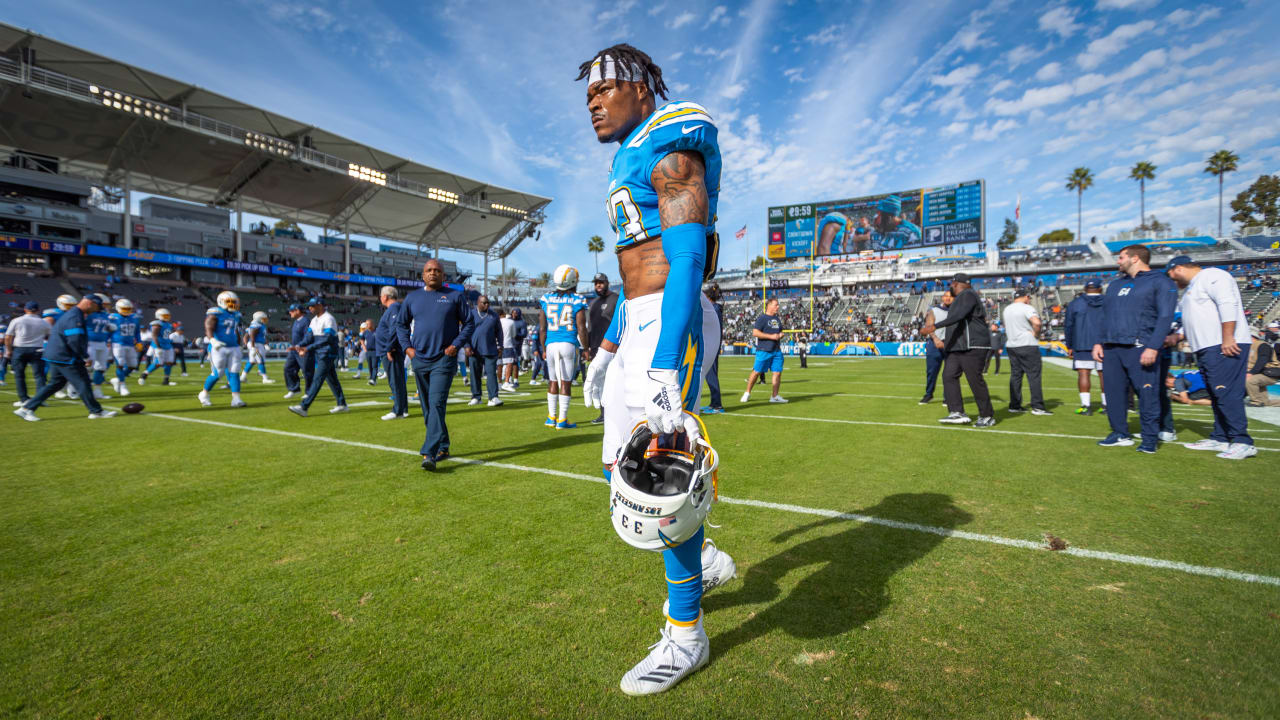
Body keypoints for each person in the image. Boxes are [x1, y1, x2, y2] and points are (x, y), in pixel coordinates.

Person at [576, 44, 735, 695]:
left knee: (660, 480)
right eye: (586, 93)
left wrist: (667, 361)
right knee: (621, 468)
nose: (592, 101)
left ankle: (686, 636)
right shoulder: (625, 156)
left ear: (642, 87)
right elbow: (632, 274)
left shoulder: (671, 141)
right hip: (641, 320)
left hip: (677, 319)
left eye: (604, 88)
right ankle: (708, 558)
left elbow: (686, 256)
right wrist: (608, 352)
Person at [1165, 255, 1255, 460]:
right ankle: (1220, 437)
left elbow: (1227, 304)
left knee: (1226, 393)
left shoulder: (1212, 275)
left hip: (1223, 344)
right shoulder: (1191, 289)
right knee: (1215, 393)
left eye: (1170, 274)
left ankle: (1242, 441)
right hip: (1206, 347)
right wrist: (1178, 336)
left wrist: (1228, 337)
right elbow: (1198, 320)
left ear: (1177, 268)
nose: (1172, 280)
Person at [1092, 245, 1177, 453]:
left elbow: (1165, 317)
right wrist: (1098, 342)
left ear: (1135, 258)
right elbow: (1105, 316)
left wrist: (1153, 346)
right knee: (1113, 394)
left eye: (1121, 258)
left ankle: (1149, 438)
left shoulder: (1161, 282)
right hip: (1112, 348)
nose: (1118, 261)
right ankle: (1120, 432)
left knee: (1147, 394)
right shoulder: (1114, 285)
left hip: (1140, 347)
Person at [395, 259, 474, 470]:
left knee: (436, 403)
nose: (433, 273)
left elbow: (469, 323)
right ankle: (444, 445)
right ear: (423, 275)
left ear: (443, 276)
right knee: (428, 407)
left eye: (437, 271)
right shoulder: (413, 298)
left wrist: (455, 346)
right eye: (429, 270)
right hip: (419, 359)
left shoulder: (455, 296)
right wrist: (407, 349)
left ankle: (429, 452)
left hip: (444, 359)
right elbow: (401, 325)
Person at [13, 295, 116, 421]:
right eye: (96, 307)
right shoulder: (75, 316)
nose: (96, 310)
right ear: (90, 303)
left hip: (57, 354)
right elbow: (74, 339)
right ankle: (96, 411)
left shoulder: (73, 313)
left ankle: (26, 409)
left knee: (55, 384)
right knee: (83, 382)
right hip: (65, 355)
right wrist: (84, 356)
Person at [921, 273, 995, 427]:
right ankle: (956, 412)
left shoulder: (968, 294)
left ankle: (987, 415)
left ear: (956, 284)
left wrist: (934, 327)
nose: (950, 287)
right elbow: (957, 324)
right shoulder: (961, 298)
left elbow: (958, 317)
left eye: (952, 284)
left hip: (973, 345)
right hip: (958, 347)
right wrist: (945, 342)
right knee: (948, 376)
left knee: (974, 380)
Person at [539, 265, 589, 428]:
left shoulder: (546, 298)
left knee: (552, 380)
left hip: (551, 344)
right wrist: (586, 349)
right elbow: (581, 328)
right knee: (565, 382)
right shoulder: (577, 299)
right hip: (568, 344)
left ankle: (550, 417)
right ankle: (562, 419)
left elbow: (542, 328)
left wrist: (544, 349)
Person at [288, 298, 348, 417]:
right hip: (320, 353)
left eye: (312, 306)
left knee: (317, 379)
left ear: (320, 305)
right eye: (309, 306)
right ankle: (342, 404)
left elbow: (327, 339)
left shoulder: (328, 319)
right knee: (332, 380)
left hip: (328, 353)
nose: (310, 308)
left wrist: (308, 348)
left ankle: (304, 407)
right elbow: (309, 337)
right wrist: (299, 345)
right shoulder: (314, 320)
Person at [1002, 287, 1050, 415]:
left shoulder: (1007, 309)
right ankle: (1038, 406)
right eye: (1028, 297)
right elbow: (1037, 323)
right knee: (1033, 375)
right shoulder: (1026, 307)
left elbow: (1006, 326)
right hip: (1027, 344)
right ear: (1025, 297)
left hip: (1012, 345)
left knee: (1016, 375)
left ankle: (1015, 405)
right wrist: (1036, 334)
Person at [199, 291, 248, 408]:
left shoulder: (236, 315)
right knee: (218, 373)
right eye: (229, 302)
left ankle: (236, 399)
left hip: (233, 347)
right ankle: (204, 393)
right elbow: (208, 326)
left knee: (234, 372)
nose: (232, 305)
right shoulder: (216, 312)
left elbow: (235, 330)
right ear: (221, 302)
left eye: (234, 302)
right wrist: (212, 340)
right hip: (219, 346)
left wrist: (239, 344)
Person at [1063, 279, 1106, 415]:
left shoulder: (1075, 304)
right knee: (1105, 375)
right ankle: (1106, 405)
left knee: (1083, 374)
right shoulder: (1109, 301)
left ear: (1085, 288)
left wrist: (1069, 345)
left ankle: (1086, 406)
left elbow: (1068, 326)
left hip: (1081, 343)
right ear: (1100, 289)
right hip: (1104, 344)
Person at [587, 273, 619, 423]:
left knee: (616, 381)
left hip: (614, 348)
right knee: (600, 383)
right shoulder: (593, 303)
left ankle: (618, 413)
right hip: (596, 348)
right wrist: (587, 347)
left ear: (607, 283)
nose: (598, 285)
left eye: (601, 282)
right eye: (596, 283)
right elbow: (590, 327)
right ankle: (603, 414)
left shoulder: (616, 298)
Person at [742, 297, 786, 403]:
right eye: (776, 304)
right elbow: (755, 333)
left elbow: (780, 332)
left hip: (776, 350)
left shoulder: (777, 319)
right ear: (769, 305)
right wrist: (771, 336)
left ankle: (774, 396)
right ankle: (747, 392)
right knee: (756, 372)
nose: (778, 307)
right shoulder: (762, 318)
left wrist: (780, 335)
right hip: (764, 350)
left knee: (777, 373)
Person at [5, 301, 49, 407]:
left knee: (19, 376)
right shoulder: (44, 322)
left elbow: (8, 337)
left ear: (25, 309)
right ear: (38, 310)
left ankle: (23, 399)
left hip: (20, 349)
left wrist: (9, 350)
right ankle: (40, 399)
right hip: (37, 349)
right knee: (39, 376)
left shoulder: (17, 320)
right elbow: (49, 336)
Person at [375, 286, 409, 421]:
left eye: (381, 296)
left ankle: (398, 410)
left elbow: (395, 329)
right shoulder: (393, 309)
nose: (380, 298)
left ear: (386, 296)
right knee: (397, 380)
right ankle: (403, 409)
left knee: (395, 381)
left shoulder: (394, 308)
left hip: (391, 351)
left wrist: (389, 348)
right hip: (390, 349)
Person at [464, 295, 503, 407]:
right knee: (475, 374)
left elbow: (499, 332)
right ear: (478, 303)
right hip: (474, 350)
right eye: (484, 303)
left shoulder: (494, 315)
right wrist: (466, 346)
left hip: (490, 349)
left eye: (488, 303)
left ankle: (493, 397)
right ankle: (476, 397)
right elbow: (465, 332)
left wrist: (500, 346)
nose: (487, 305)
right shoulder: (471, 314)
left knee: (491, 374)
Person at [919, 289, 952, 405]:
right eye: (946, 296)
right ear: (942, 298)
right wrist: (936, 339)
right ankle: (929, 394)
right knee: (931, 371)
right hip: (934, 343)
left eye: (950, 296)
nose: (948, 298)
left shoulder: (957, 311)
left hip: (950, 345)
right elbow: (928, 326)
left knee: (949, 373)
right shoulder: (934, 310)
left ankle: (947, 397)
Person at [699, 282, 725, 413]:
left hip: (711, 346)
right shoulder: (715, 308)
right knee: (709, 375)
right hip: (711, 345)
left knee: (711, 375)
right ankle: (714, 403)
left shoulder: (713, 309)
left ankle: (717, 405)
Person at [107, 298, 141, 397]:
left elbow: (137, 331)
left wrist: (139, 342)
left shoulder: (134, 317)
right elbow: (107, 330)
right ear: (118, 308)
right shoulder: (113, 317)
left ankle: (117, 380)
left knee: (133, 365)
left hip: (130, 344)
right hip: (118, 344)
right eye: (124, 308)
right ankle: (122, 386)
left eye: (128, 308)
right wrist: (108, 341)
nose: (126, 310)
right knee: (120, 365)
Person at [84, 294, 114, 399]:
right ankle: (77, 389)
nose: (106, 307)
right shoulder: (88, 314)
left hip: (102, 343)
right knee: (88, 367)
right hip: (89, 343)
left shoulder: (105, 315)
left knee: (101, 368)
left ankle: (97, 392)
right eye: (105, 304)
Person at [281, 303, 314, 399]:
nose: (289, 313)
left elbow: (309, 337)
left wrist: (301, 347)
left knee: (307, 371)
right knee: (288, 368)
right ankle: (294, 389)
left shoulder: (306, 321)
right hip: (294, 350)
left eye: (291, 311)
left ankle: (309, 392)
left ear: (298, 311)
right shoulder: (296, 321)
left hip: (303, 350)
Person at [1245, 321, 1280, 407]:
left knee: (1250, 381)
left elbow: (1262, 361)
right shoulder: (1252, 345)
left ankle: (1256, 402)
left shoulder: (1263, 345)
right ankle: (1261, 401)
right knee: (1265, 402)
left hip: (1270, 373)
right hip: (1263, 373)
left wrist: (1251, 373)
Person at [138, 309, 176, 386]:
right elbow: (154, 336)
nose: (167, 317)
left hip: (168, 346)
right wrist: (158, 347)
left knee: (169, 363)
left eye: (167, 316)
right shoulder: (157, 323)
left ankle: (166, 380)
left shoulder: (168, 324)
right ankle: (144, 374)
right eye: (165, 316)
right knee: (158, 363)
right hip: (159, 346)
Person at [240, 312, 274, 384]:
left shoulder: (260, 325)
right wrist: (252, 346)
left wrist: (264, 344)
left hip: (257, 344)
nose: (265, 320)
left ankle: (242, 377)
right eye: (263, 319)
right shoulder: (256, 325)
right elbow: (251, 336)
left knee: (252, 361)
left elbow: (247, 336)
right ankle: (265, 378)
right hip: (256, 345)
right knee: (260, 360)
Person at [498, 308, 519, 392]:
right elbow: (514, 334)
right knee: (509, 363)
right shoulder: (510, 322)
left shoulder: (495, 321)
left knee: (499, 364)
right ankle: (506, 382)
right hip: (507, 344)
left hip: (497, 345)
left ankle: (499, 383)